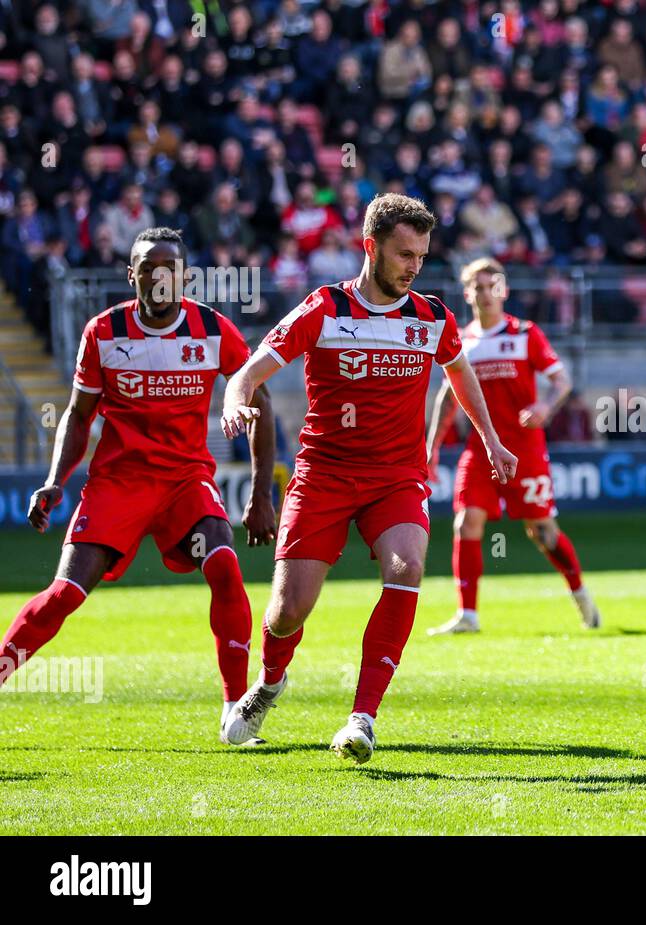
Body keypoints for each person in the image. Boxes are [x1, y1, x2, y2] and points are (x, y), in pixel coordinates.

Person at [219, 194, 517, 764]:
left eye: (422, 257)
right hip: (324, 475)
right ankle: (271, 682)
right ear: (370, 246)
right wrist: (237, 401)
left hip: (396, 477)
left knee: (406, 568)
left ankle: (363, 717)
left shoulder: (431, 318)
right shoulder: (324, 309)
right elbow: (250, 370)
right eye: (404, 254)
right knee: (287, 612)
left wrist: (491, 439)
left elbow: (461, 376)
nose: (413, 266)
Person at [1, 228, 276, 743]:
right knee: (65, 594)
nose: (161, 275)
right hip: (118, 484)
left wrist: (262, 494)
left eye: (171, 266)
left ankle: (234, 712)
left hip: (185, 481)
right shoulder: (103, 332)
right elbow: (79, 416)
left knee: (223, 564)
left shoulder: (212, 329)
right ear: (132, 276)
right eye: (149, 266)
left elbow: (258, 404)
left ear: (186, 276)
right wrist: (54, 481)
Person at [427, 258, 600, 634]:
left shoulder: (525, 333)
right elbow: (447, 396)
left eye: (492, 286)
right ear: (467, 292)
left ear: (503, 291)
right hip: (481, 450)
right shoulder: (462, 340)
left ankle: (580, 592)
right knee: (466, 521)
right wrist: (431, 447)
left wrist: (544, 406)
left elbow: (562, 381)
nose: (485, 293)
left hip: (525, 450)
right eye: (478, 287)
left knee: (543, 533)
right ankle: (467, 614)